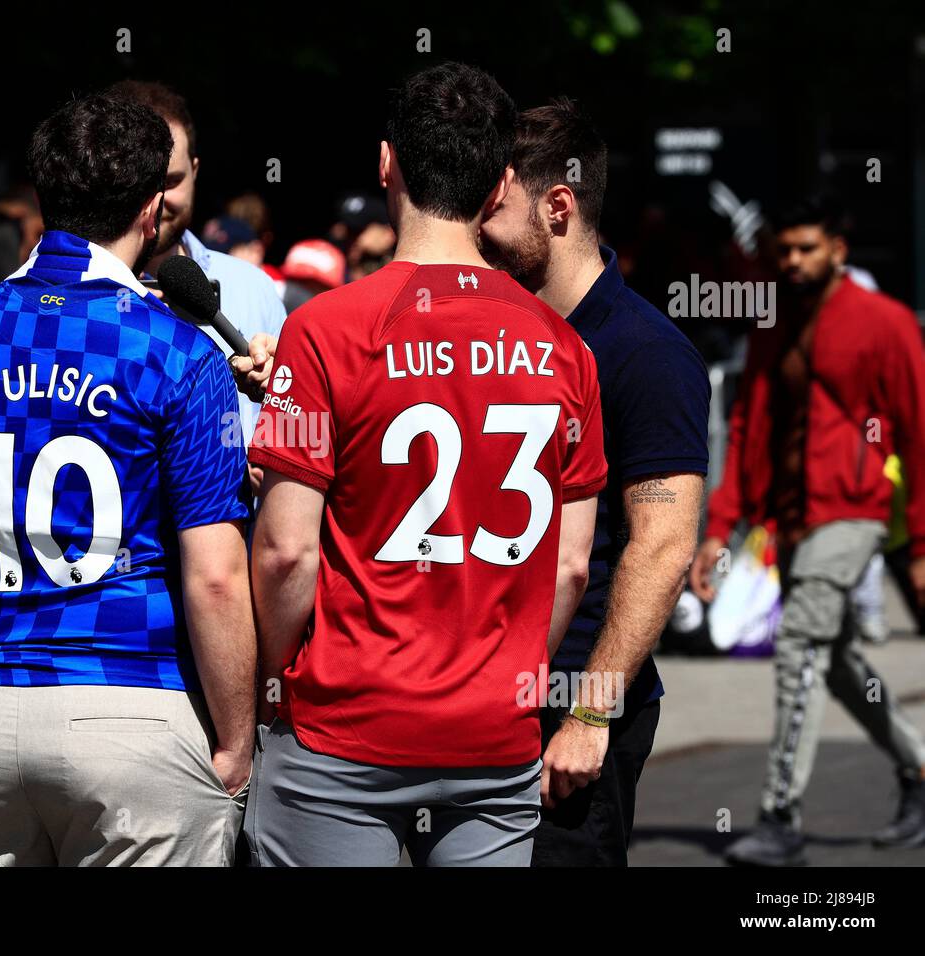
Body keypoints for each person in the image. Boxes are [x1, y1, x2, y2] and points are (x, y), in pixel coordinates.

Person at [0, 93, 256, 867]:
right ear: (156, 206)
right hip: (135, 705)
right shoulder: (177, 352)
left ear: (42, 196)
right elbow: (217, 576)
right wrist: (235, 739)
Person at [242, 63, 606, 867]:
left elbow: (286, 551)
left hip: (345, 724)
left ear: (386, 164)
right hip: (493, 732)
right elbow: (572, 568)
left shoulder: (325, 329)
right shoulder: (565, 349)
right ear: (501, 181)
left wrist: (275, 680)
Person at [478, 99, 709, 866]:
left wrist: (590, 713)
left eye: (493, 207)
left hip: (572, 712)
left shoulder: (646, 352)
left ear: (558, 206)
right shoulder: (496, 337)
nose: (476, 228)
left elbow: (663, 545)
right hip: (481, 694)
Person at [691, 195, 925, 865]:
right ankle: (918, 767)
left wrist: (922, 547)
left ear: (838, 251)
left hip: (853, 511)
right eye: (783, 251)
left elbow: (918, 428)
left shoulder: (884, 322)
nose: (791, 262)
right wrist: (721, 528)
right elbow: (748, 428)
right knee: (838, 661)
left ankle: (779, 816)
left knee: (797, 647)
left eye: (806, 250)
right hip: (790, 518)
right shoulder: (772, 322)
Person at [105, 81, 286, 453]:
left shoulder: (252, 288)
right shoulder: (69, 294)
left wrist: (275, 439)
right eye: (143, 182)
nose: (157, 201)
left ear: (196, 171)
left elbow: (298, 428)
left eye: (171, 181)